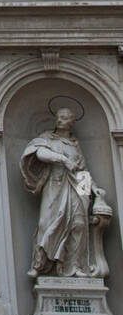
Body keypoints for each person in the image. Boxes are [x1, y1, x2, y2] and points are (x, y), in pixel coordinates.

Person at [20, 107, 109, 278]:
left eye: (64, 117)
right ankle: (40, 265)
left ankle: (74, 267)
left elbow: (82, 172)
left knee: (79, 225)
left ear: (72, 122)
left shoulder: (76, 146)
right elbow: (39, 153)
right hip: (55, 187)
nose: (59, 120)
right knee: (46, 224)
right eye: (58, 117)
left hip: (76, 189)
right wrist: (63, 159)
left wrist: (92, 190)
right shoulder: (47, 139)